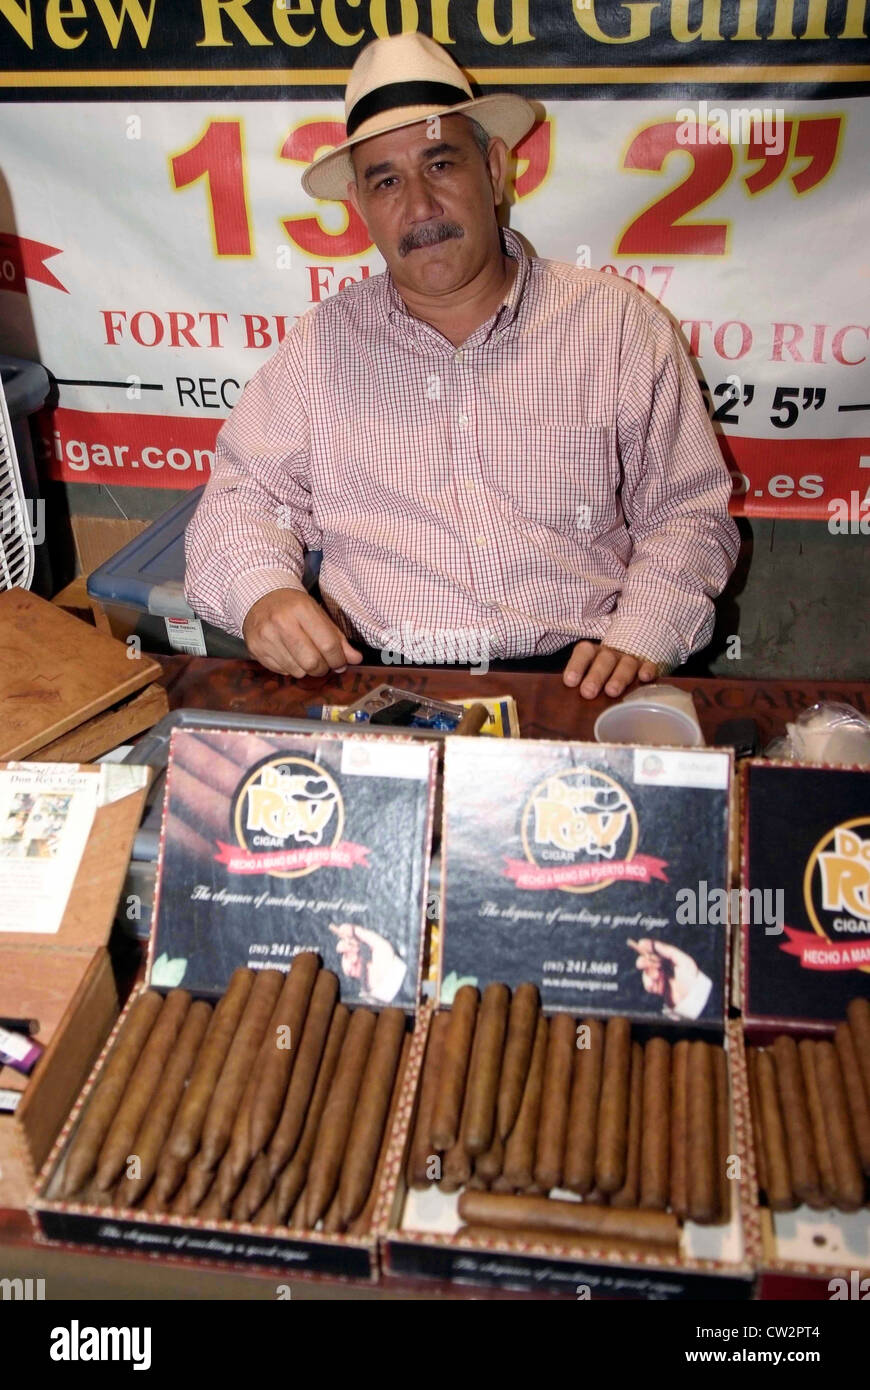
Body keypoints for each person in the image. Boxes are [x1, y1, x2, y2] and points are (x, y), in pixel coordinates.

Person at [185, 32, 739, 700]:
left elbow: (687, 513)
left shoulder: (615, 325)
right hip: (375, 679)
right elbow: (243, 496)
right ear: (359, 208)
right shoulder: (320, 347)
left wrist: (640, 638)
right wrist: (263, 594)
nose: (418, 208)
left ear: (497, 169)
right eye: (385, 182)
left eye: (440, 165)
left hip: (580, 676)